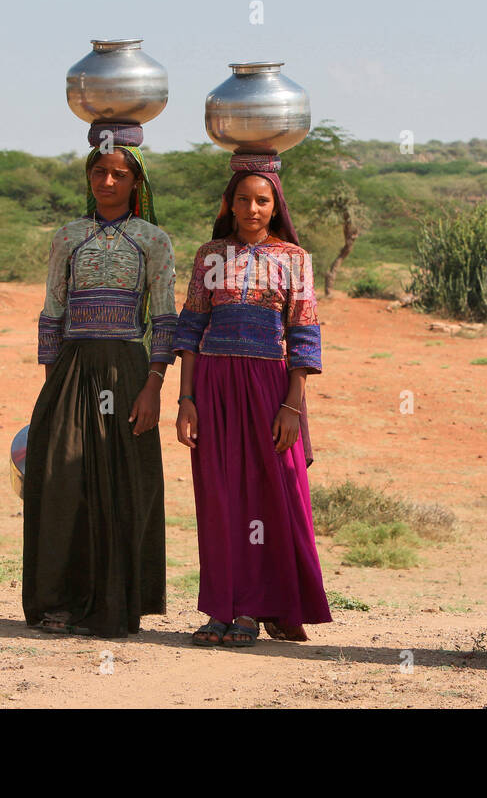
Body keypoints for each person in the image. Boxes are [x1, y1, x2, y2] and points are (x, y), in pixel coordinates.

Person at [174, 156, 331, 649]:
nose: (252, 208)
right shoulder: (208, 256)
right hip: (215, 387)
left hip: (270, 387)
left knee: (269, 497)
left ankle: (254, 608)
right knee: (220, 498)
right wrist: (186, 400)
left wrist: (292, 406)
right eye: (243, 199)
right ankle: (222, 608)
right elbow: (191, 331)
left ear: (275, 205)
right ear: (229, 204)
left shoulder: (295, 259)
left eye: (262, 200)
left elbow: (304, 334)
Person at [22, 139, 176, 638]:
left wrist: (154, 386)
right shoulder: (68, 236)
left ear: (137, 184)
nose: (107, 182)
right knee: (63, 482)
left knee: (124, 486)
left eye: (119, 175)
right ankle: (61, 602)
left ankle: (113, 606)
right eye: (99, 172)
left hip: (128, 370)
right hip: (72, 369)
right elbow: (52, 310)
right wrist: (52, 387)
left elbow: (166, 319)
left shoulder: (153, 240)